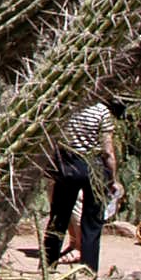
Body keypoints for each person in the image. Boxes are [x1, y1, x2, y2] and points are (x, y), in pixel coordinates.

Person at [43, 100, 120, 271]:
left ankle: (48, 265)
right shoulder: (102, 111)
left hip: (68, 165)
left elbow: (54, 139)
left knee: (59, 218)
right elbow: (108, 150)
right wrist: (112, 178)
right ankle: (88, 269)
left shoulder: (65, 107)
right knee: (92, 222)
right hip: (95, 167)